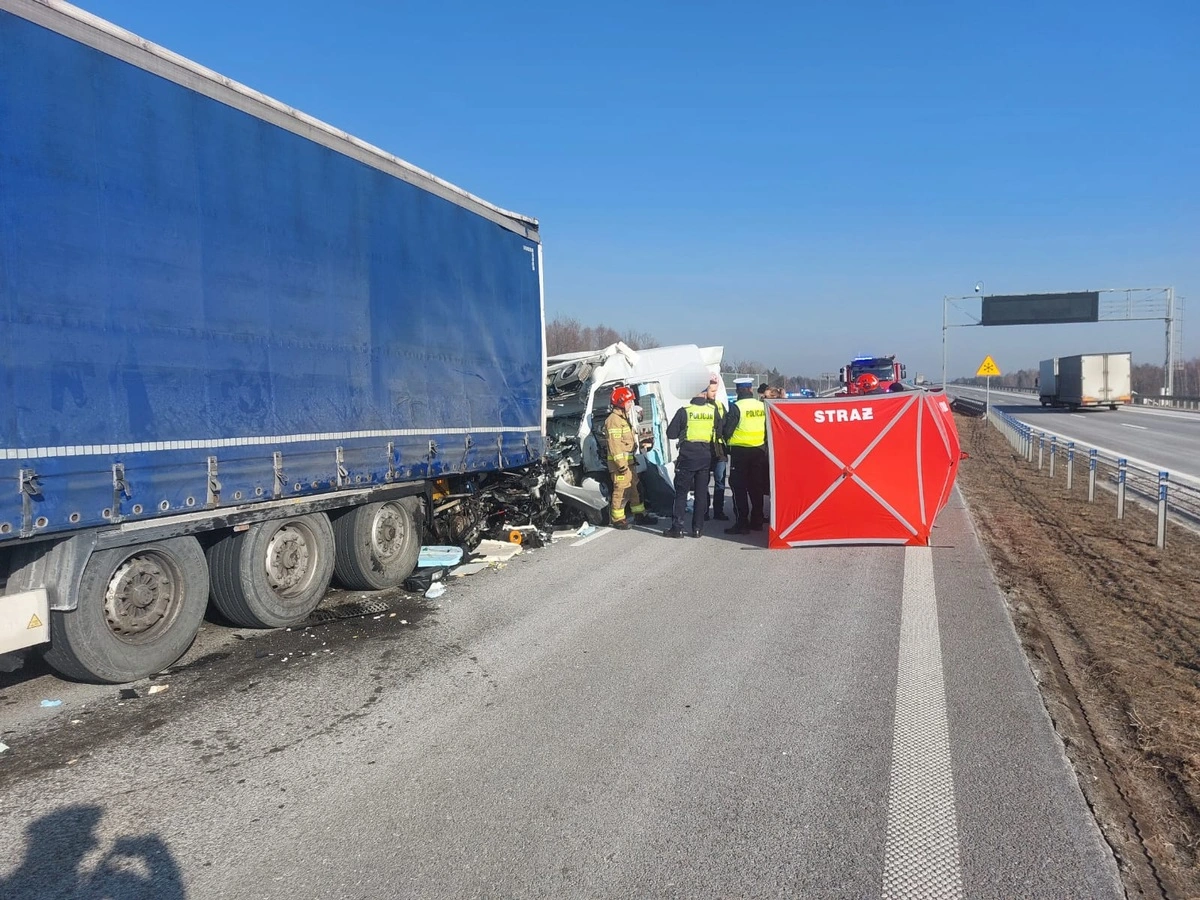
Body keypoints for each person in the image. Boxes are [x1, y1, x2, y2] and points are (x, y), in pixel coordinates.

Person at [663, 378, 723, 538]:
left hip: (687, 456)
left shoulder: (685, 410)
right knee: (701, 493)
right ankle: (697, 529)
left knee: (681, 493)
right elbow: (720, 428)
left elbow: (671, 434)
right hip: (705, 457)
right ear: (704, 393)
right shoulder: (712, 410)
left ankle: (677, 528)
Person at [604, 386, 656, 529]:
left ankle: (639, 514)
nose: (630, 405)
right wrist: (621, 465)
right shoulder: (613, 420)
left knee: (634, 488)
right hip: (620, 464)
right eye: (628, 402)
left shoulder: (623, 418)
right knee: (621, 490)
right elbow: (615, 446)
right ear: (620, 403)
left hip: (629, 461)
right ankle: (617, 519)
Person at [722, 377, 769, 534]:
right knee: (756, 487)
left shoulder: (736, 407)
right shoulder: (761, 406)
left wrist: (726, 441)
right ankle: (757, 520)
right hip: (759, 451)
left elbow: (728, 430)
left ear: (737, 391)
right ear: (751, 389)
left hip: (740, 452)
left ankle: (742, 523)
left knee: (739, 487)